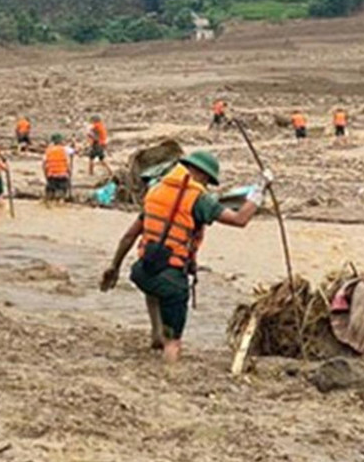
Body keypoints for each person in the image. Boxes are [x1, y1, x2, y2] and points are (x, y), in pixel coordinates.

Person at [99, 151, 264, 363]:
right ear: (201, 175)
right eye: (207, 181)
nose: (206, 186)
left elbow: (129, 236)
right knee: (173, 340)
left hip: (142, 272)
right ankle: (168, 366)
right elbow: (240, 219)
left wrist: (114, 267)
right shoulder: (199, 199)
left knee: (154, 285)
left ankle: (157, 334)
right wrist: (259, 190)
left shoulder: (156, 191)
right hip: (171, 280)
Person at [42, 133, 73, 206]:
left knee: (50, 192)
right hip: (62, 174)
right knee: (62, 190)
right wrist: (69, 172)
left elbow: (44, 164)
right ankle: (61, 200)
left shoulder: (48, 150)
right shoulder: (65, 149)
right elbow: (72, 154)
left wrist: (46, 174)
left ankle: (49, 199)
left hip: (51, 174)